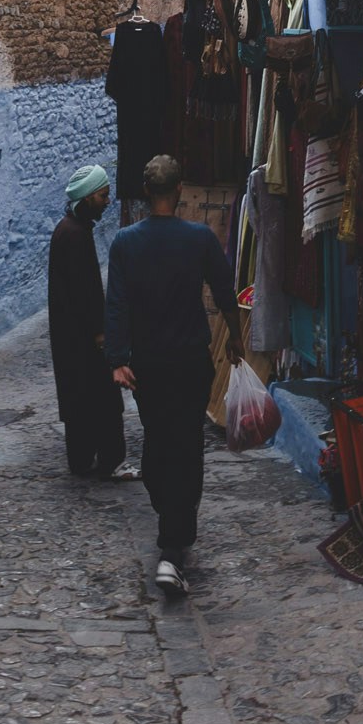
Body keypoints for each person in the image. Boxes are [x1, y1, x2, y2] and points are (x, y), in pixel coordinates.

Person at [105, 152, 239, 596]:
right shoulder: (199, 238)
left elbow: (117, 304)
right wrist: (236, 337)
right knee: (186, 446)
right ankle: (172, 547)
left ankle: (170, 524)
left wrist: (118, 359)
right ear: (179, 190)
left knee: (159, 439)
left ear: (147, 191)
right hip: (190, 362)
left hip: (148, 365)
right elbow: (225, 291)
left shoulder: (125, 243)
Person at [48, 166, 126, 479]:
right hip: (82, 336)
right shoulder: (74, 235)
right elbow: (85, 291)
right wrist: (99, 333)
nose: (107, 201)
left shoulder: (70, 229)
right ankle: (109, 460)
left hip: (71, 335)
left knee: (80, 397)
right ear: (88, 197)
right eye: (103, 196)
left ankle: (81, 459)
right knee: (102, 398)